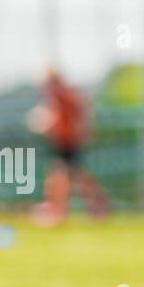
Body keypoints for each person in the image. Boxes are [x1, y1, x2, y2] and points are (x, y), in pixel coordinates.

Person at [27, 70, 110, 225]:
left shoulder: (65, 96)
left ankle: (64, 209)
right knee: (68, 176)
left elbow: (76, 115)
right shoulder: (58, 98)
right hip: (62, 143)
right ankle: (94, 204)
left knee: (63, 176)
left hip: (69, 142)